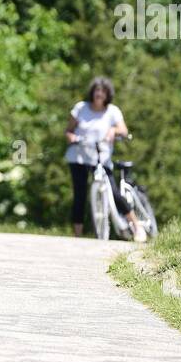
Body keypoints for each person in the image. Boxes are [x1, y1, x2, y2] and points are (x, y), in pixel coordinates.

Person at [64, 76, 148, 242]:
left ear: (107, 94)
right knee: (79, 196)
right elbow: (69, 131)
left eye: (103, 92)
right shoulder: (81, 108)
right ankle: (77, 236)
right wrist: (72, 138)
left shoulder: (112, 111)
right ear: (92, 92)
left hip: (101, 157)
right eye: (97, 91)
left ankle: (137, 226)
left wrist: (113, 131)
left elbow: (123, 130)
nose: (99, 94)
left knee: (114, 192)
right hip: (80, 156)